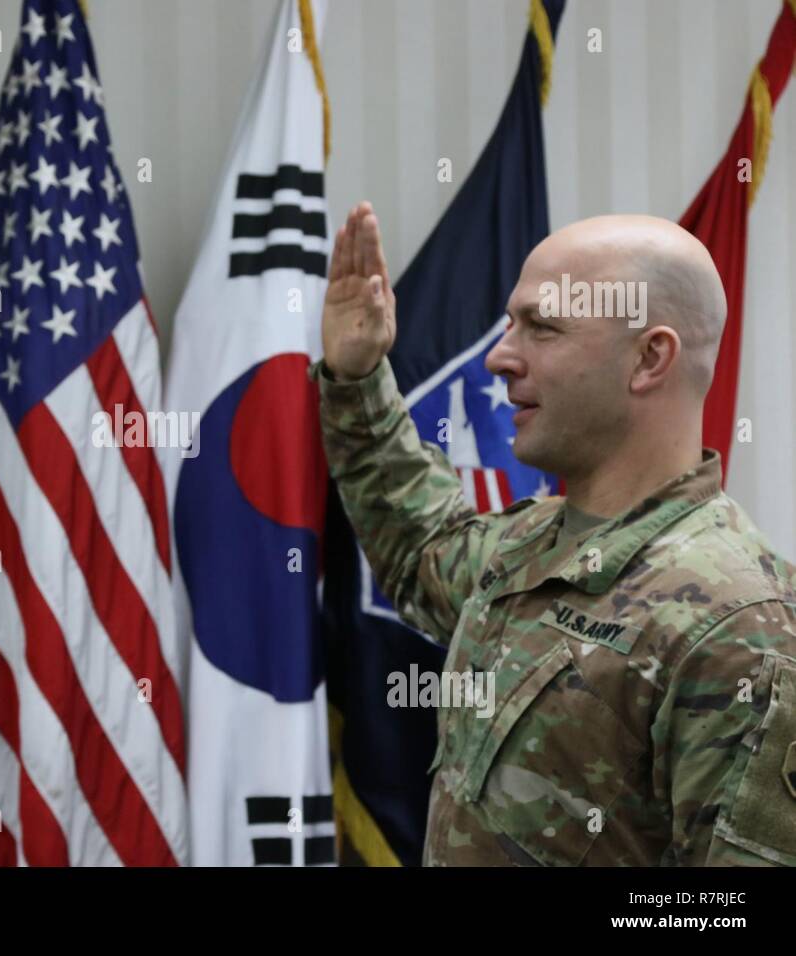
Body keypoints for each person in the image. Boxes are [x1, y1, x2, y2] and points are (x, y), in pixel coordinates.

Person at [315, 201, 796, 866]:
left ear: (649, 358)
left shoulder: (738, 624)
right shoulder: (531, 548)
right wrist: (358, 376)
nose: (498, 357)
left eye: (541, 328)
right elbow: (420, 544)